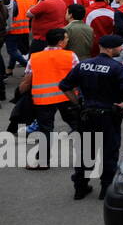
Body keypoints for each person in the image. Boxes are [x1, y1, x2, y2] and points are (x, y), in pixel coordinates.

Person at [60, 33, 123, 199]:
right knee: (109, 152)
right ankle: (106, 189)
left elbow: (64, 85)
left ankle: (80, 187)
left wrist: (76, 104)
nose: (122, 48)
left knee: (86, 152)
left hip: (86, 115)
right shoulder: (117, 68)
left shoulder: (84, 65)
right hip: (109, 117)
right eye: (119, 46)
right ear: (110, 49)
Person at [13, 29, 80, 169]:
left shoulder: (35, 57)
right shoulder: (70, 55)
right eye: (66, 38)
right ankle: (89, 157)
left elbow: (27, 80)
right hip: (66, 97)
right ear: (60, 42)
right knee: (78, 125)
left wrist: (19, 94)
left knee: (45, 130)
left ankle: (42, 162)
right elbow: (78, 76)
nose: (67, 41)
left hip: (43, 99)